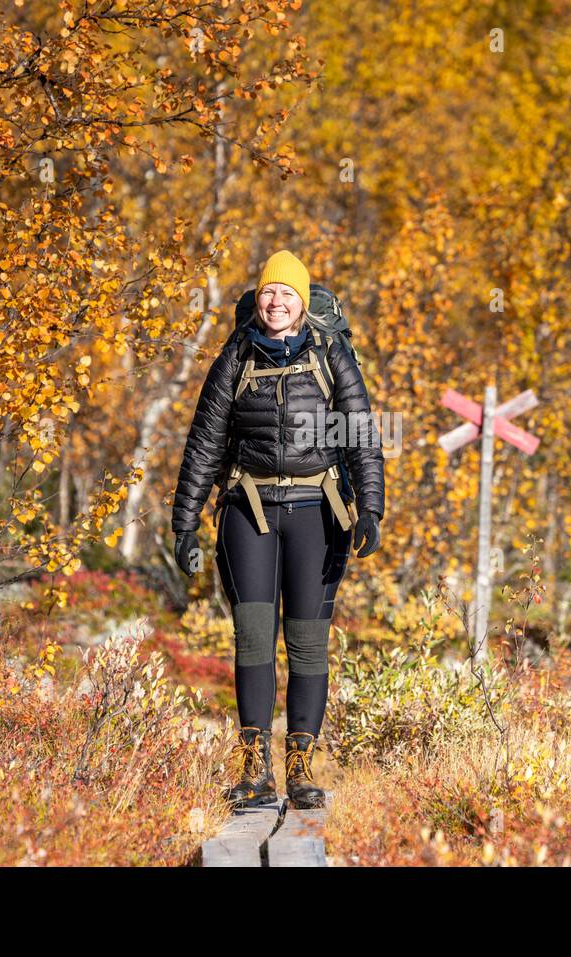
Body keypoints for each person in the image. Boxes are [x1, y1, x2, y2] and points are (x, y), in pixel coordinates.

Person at [170, 249, 385, 810]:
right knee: (253, 640)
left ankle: (301, 768)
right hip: (250, 511)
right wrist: (184, 525)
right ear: (257, 300)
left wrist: (371, 509)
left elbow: (361, 433)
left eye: (287, 294)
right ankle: (253, 767)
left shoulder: (331, 354)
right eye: (268, 292)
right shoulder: (235, 356)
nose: (276, 302)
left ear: (303, 303)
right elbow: (204, 443)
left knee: (309, 645)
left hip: (318, 512)